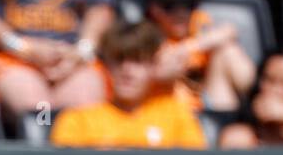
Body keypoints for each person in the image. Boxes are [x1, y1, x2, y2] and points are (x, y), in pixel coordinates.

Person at [51, 19, 207, 147]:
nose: (127, 71)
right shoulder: (77, 120)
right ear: (106, 66)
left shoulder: (177, 116)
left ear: (154, 65)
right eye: (119, 60)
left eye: (137, 61)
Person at [145, 0, 254, 111]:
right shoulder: (145, 35)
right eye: (170, 6)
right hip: (173, 112)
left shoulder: (197, 22)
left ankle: (250, 105)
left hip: (209, 104)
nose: (182, 14)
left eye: (189, 5)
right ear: (154, 8)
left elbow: (230, 31)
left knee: (228, 50)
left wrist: (186, 48)